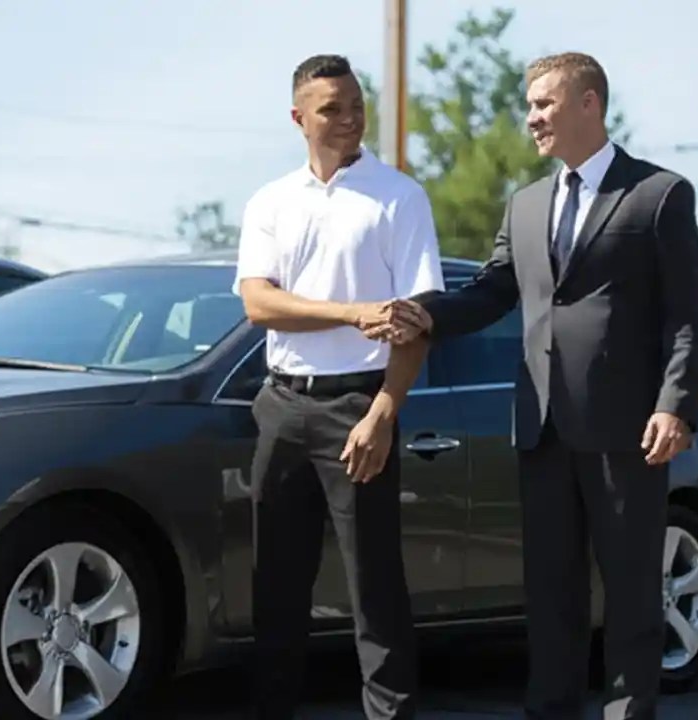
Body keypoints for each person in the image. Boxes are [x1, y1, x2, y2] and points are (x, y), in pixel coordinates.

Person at [376, 52, 698, 719]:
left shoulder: (658, 194)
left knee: (631, 593)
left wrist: (675, 405)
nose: (531, 117)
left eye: (544, 103)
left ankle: (626, 712)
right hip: (541, 426)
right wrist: (427, 314)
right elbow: (494, 290)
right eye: (529, 105)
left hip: (627, 431)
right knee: (551, 593)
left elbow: (687, 314)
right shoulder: (527, 205)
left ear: (590, 103)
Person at [233, 53, 444, 719]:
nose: (350, 118)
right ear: (299, 118)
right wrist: (353, 312)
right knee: (277, 585)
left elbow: (416, 322)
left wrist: (384, 410)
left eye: (356, 105)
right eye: (332, 109)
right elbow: (258, 305)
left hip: (359, 404)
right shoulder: (269, 201)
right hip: (282, 404)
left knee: (374, 585)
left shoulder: (399, 198)